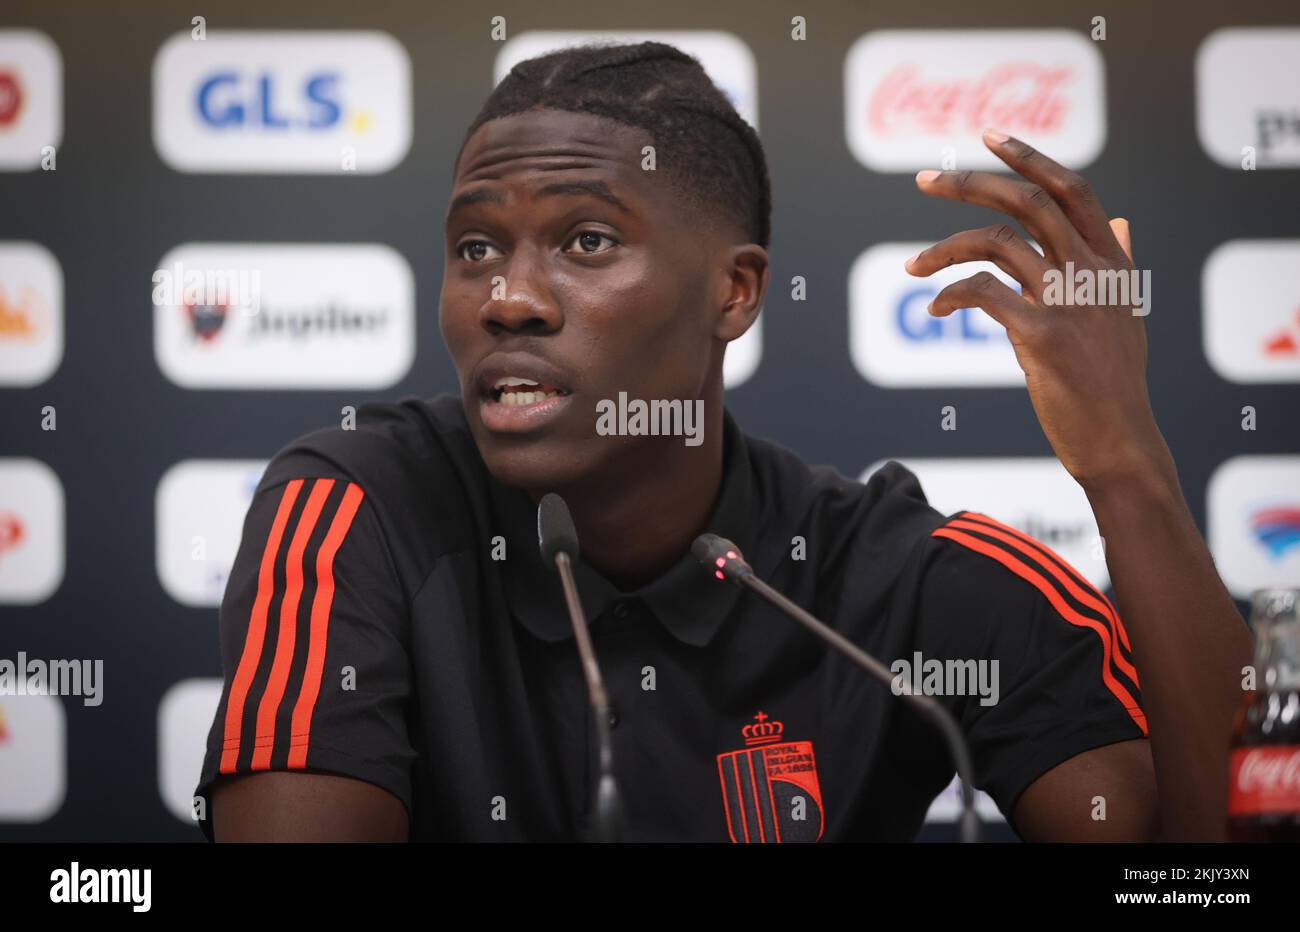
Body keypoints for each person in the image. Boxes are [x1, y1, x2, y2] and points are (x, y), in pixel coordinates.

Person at [194, 40, 1250, 842]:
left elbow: (1185, 872)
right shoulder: (358, 506)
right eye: (476, 246)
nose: (506, 298)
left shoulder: (895, 578)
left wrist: (1125, 462)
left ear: (733, 291)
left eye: (586, 240)